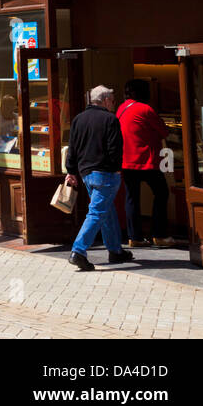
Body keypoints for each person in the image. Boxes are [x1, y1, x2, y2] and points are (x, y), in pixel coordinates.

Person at [65, 85, 133, 270]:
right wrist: (116, 169)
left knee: (106, 210)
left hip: (86, 173)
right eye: (112, 100)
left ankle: (115, 251)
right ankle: (78, 251)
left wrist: (71, 170)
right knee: (97, 213)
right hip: (105, 173)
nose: (113, 104)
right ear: (104, 100)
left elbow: (73, 147)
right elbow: (114, 148)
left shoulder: (78, 119)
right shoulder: (110, 119)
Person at [117, 79, 173, 247]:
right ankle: (159, 235)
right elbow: (164, 131)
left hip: (126, 161)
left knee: (132, 198)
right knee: (162, 193)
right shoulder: (145, 109)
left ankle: (134, 237)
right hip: (146, 162)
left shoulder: (122, 108)